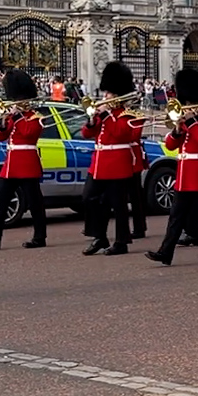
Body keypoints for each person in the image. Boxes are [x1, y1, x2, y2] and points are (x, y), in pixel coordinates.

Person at [145, 67, 198, 266]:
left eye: (191, 103)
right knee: (176, 217)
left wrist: (190, 121)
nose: (188, 107)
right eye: (187, 103)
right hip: (184, 176)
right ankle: (166, 252)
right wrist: (176, 129)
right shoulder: (186, 123)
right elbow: (171, 145)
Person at [0, 68, 47, 251]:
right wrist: (5, 121)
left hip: (27, 163)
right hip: (11, 164)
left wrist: (18, 116)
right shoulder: (13, 116)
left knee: (34, 202)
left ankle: (40, 236)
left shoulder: (35, 117)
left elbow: (29, 134)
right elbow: (0, 137)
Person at [80, 61, 143, 256]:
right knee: (89, 198)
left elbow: (123, 134)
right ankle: (100, 237)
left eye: (108, 93)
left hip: (117, 163)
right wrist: (92, 120)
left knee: (118, 205)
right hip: (99, 163)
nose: (104, 96)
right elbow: (86, 133)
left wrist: (107, 115)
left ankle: (121, 242)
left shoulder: (129, 115)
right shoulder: (103, 114)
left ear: (117, 94)